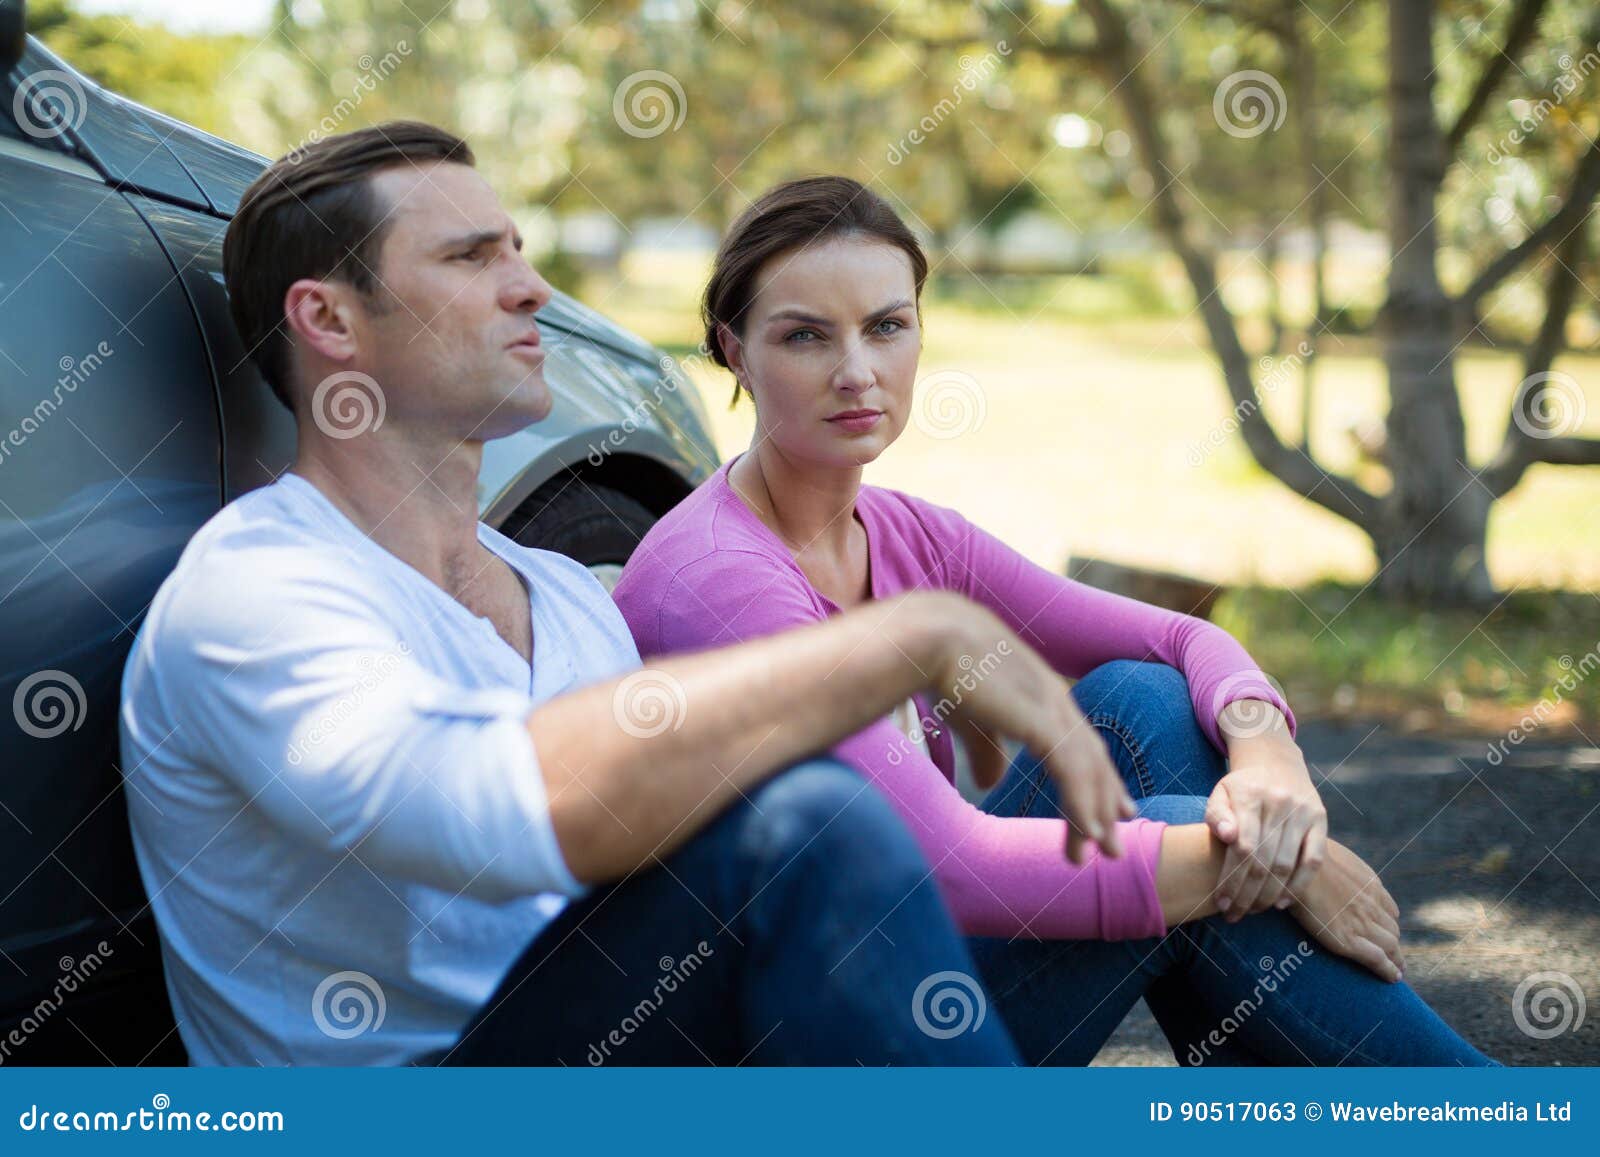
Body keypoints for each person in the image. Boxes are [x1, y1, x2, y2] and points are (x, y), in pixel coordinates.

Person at [113, 122, 1161, 1067]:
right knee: (806, 823)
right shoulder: (257, 592)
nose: (531, 289)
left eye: (518, 250)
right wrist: (902, 642)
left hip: (651, 1054)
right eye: (472, 257)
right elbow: (483, 808)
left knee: (1146, 726)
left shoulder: (566, 597)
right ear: (329, 320)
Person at [609, 175, 1499, 1065]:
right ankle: (1480, 1110)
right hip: (808, 1050)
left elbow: (1179, 637)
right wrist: (1287, 867)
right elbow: (952, 871)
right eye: (805, 335)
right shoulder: (718, 581)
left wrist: (1271, 758)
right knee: (1188, 833)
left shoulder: (907, 534)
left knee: (1145, 700)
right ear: (734, 349)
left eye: (886, 326)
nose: (856, 371)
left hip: (901, 963)